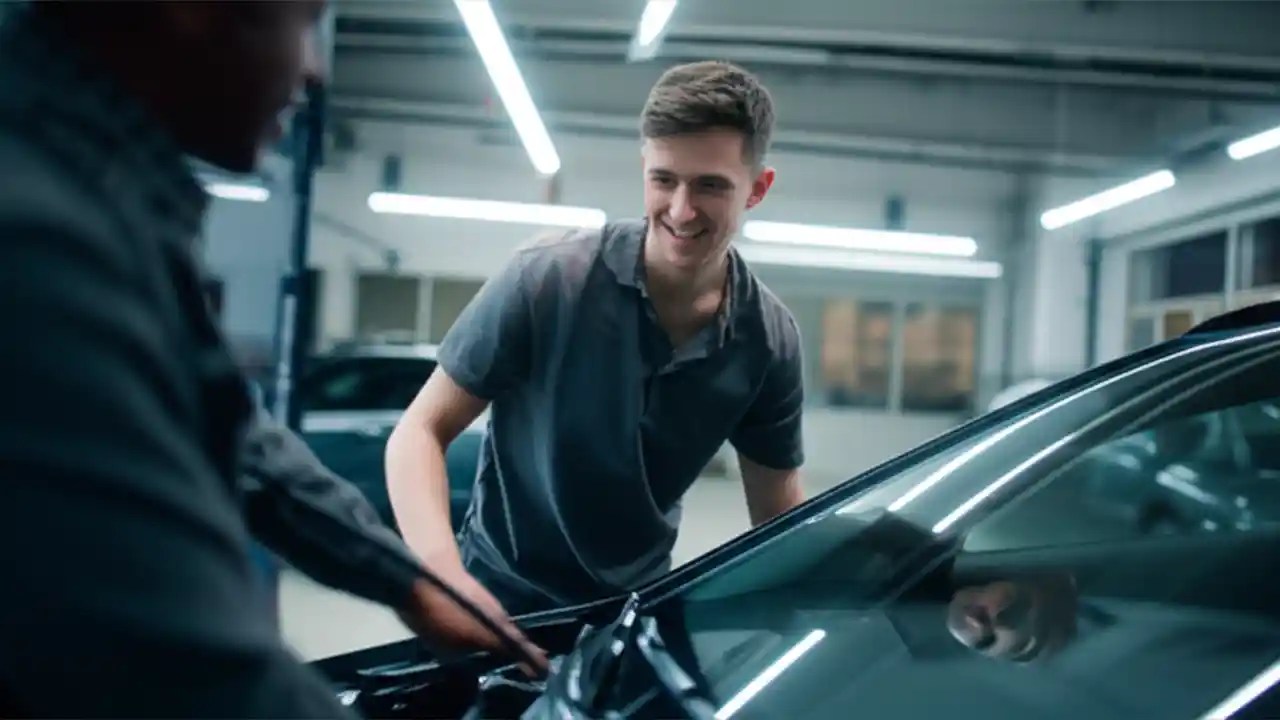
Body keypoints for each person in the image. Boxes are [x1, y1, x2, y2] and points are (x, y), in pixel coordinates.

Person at [0, 3, 539, 717]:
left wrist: (409, 581)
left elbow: (233, 429)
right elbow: (183, 667)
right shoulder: (38, 239)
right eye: (305, 19)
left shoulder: (102, 195)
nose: (315, 70)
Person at [387, 61, 808, 619]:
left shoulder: (769, 343)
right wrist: (440, 572)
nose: (681, 210)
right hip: (495, 597)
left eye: (710, 185)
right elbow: (420, 429)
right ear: (643, 167)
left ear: (757, 189)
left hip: (630, 617)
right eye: (664, 180)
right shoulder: (547, 281)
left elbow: (778, 521)